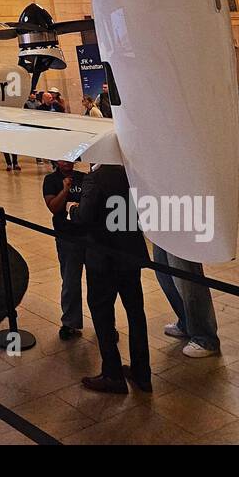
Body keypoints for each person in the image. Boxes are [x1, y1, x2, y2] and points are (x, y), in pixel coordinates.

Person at [70, 163, 151, 393]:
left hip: (103, 258)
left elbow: (84, 216)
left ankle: (113, 374)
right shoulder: (133, 172)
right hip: (130, 254)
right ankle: (142, 374)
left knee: (102, 312)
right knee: (136, 313)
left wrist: (72, 209)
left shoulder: (95, 178)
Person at [42, 159, 86, 340]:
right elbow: (53, 207)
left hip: (89, 235)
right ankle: (70, 322)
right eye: (63, 158)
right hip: (67, 237)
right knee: (70, 280)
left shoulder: (85, 178)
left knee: (100, 282)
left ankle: (106, 323)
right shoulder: (50, 180)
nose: (67, 162)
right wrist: (65, 190)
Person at [153, 245, 221, 357]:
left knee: (187, 278)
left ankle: (205, 338)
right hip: (162, 229)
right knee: (164, 272)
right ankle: (186, 323)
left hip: (182, 231)